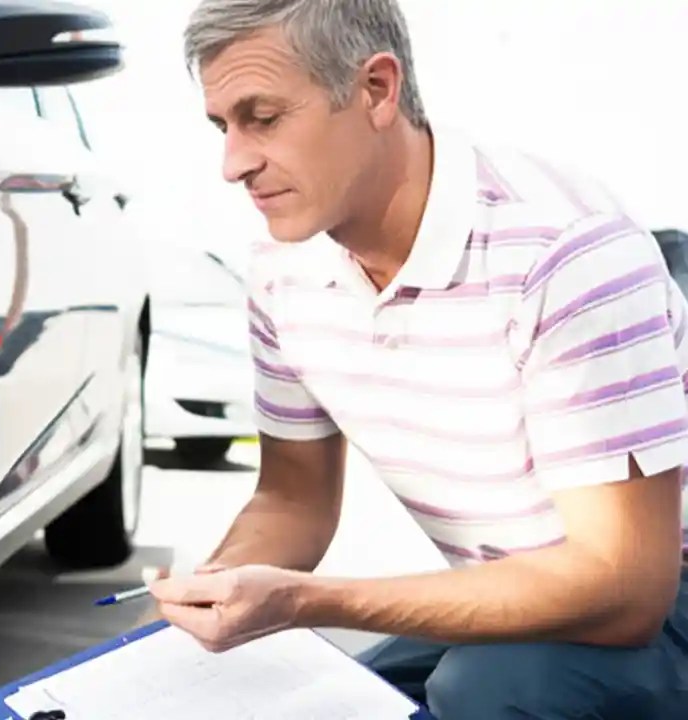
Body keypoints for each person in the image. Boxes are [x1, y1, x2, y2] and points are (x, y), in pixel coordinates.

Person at [146, 1, 688, 718]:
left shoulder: (564, 253)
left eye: (264, 117)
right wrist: (214, 591)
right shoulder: (282, 272)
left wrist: (307, 601)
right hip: (524, 601)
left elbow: (624, 589)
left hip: (658, 594)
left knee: (484, 693)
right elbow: (293, 500)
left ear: (376, 89)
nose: (233, 163)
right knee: (310, 701)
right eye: (223, 126)